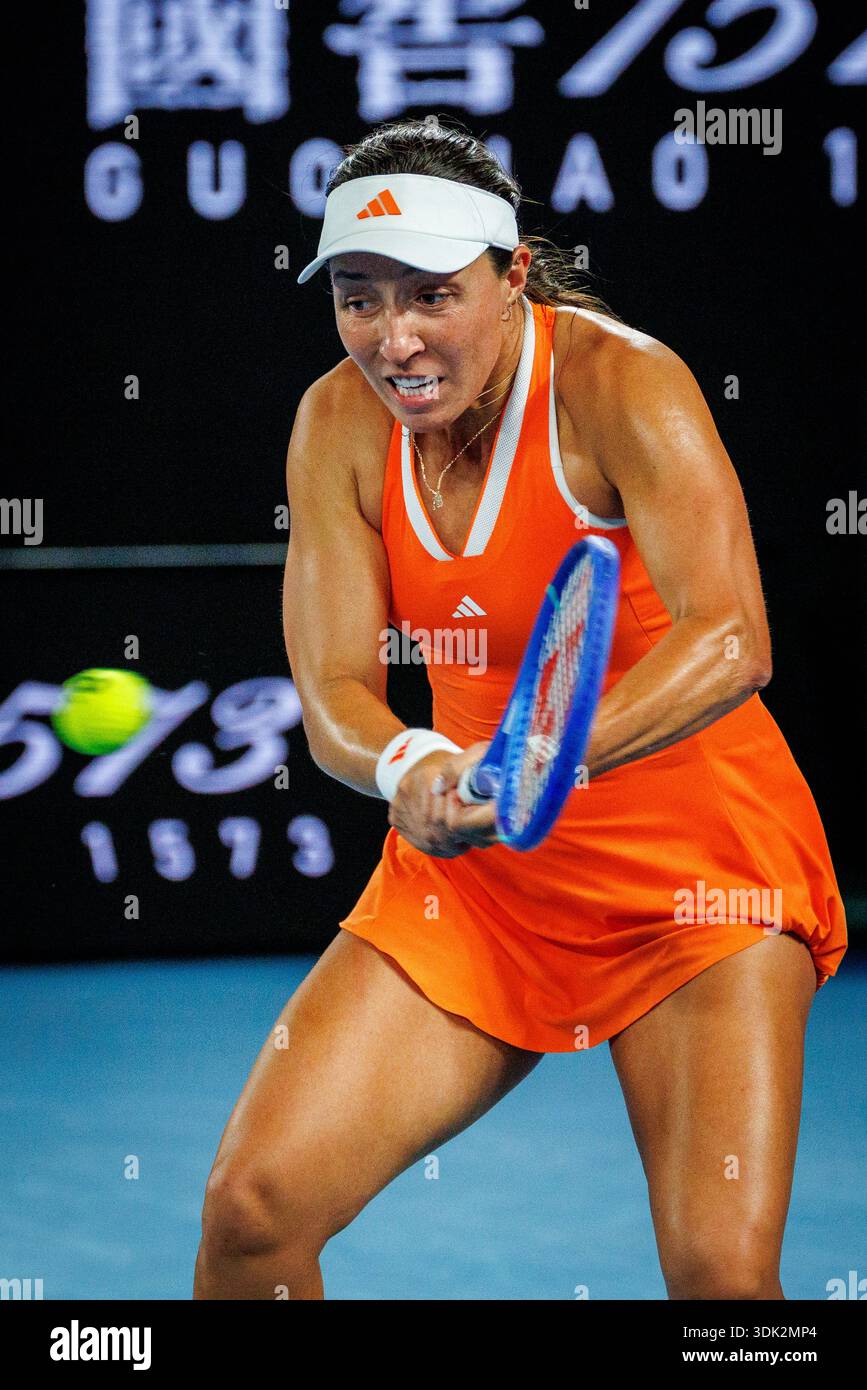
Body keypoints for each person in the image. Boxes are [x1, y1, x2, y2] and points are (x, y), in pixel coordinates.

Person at [193, 117, 847, 1301]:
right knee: (253, 1215)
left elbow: (733, 636)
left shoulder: (623, 382)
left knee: (721, 1283)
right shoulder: (335, 421)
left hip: (700, 877)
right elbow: (335, 691)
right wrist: (413, 769)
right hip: (481, 878)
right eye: (357, 297)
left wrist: (537, 759)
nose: (393, 339)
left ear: (512, 273)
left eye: (431, 295)